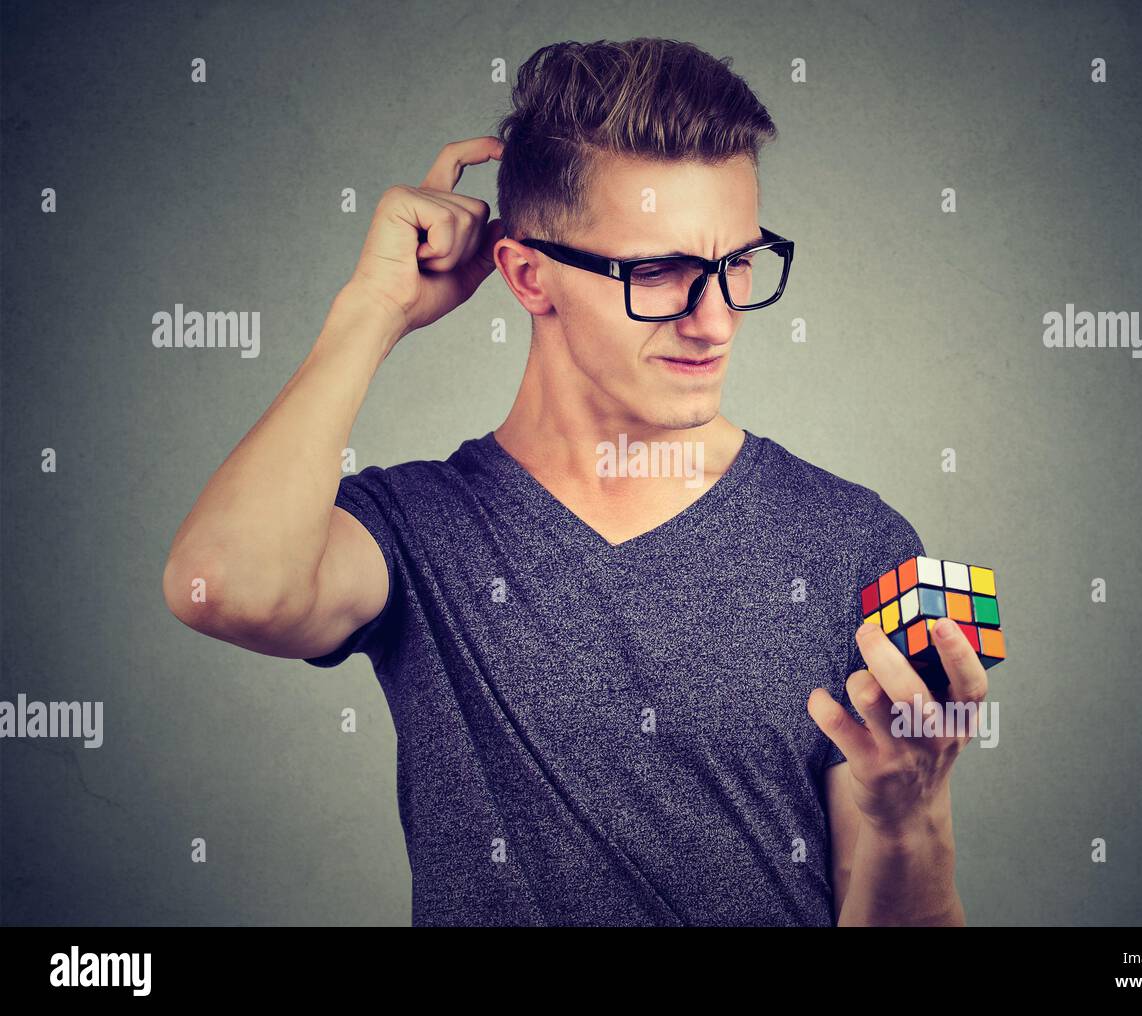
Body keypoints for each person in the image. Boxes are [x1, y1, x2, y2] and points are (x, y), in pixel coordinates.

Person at [163, 37, 987, 927]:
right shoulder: (415, 529)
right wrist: (373, 313)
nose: (715, 321)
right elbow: (223, 588)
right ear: (526, 273)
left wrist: (912, 827)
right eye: (658, 271)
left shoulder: (856, 542)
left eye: (738, 263)